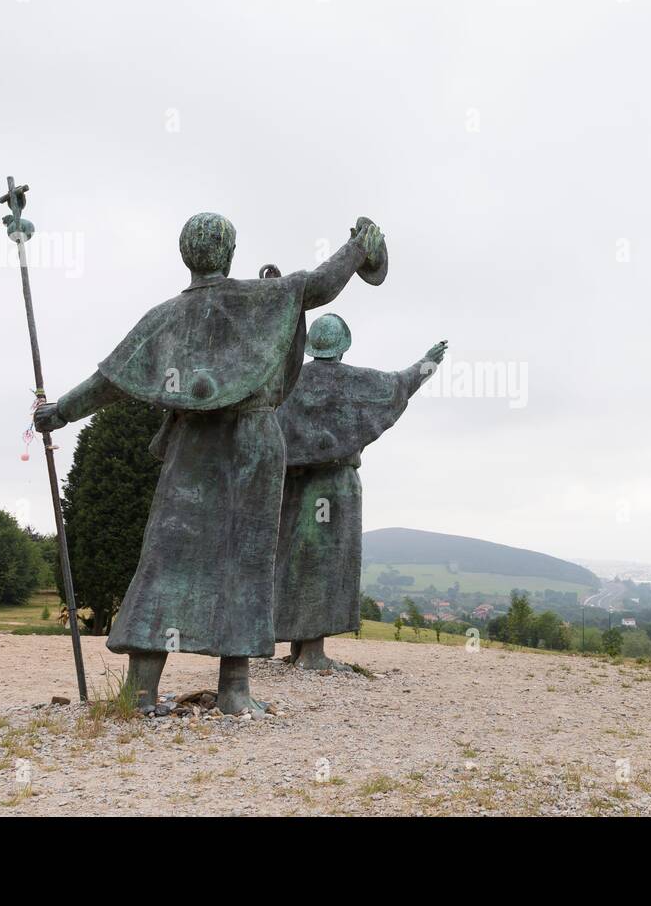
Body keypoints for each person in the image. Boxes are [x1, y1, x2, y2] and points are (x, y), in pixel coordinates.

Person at [33, 212, 386, 712]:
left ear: (186, 255)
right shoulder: (262, 297)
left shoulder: (164, 317)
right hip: (252, 441)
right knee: (245, 560)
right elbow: (323, 284)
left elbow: (106, 384)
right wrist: (358, 245)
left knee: (168, 555)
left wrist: (60, 413)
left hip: (194, 445)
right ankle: (235, 693)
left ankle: (141, 692)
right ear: (230, 251)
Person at [274, 313, 446, 670]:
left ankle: (298, 647)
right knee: (324, 565)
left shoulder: (290, 381)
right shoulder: (352, 381)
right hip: (336, 485)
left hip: (294, 483)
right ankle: (312, 654)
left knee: (297, 563)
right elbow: (399, 385)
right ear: (343, 345)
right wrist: (428, 363)